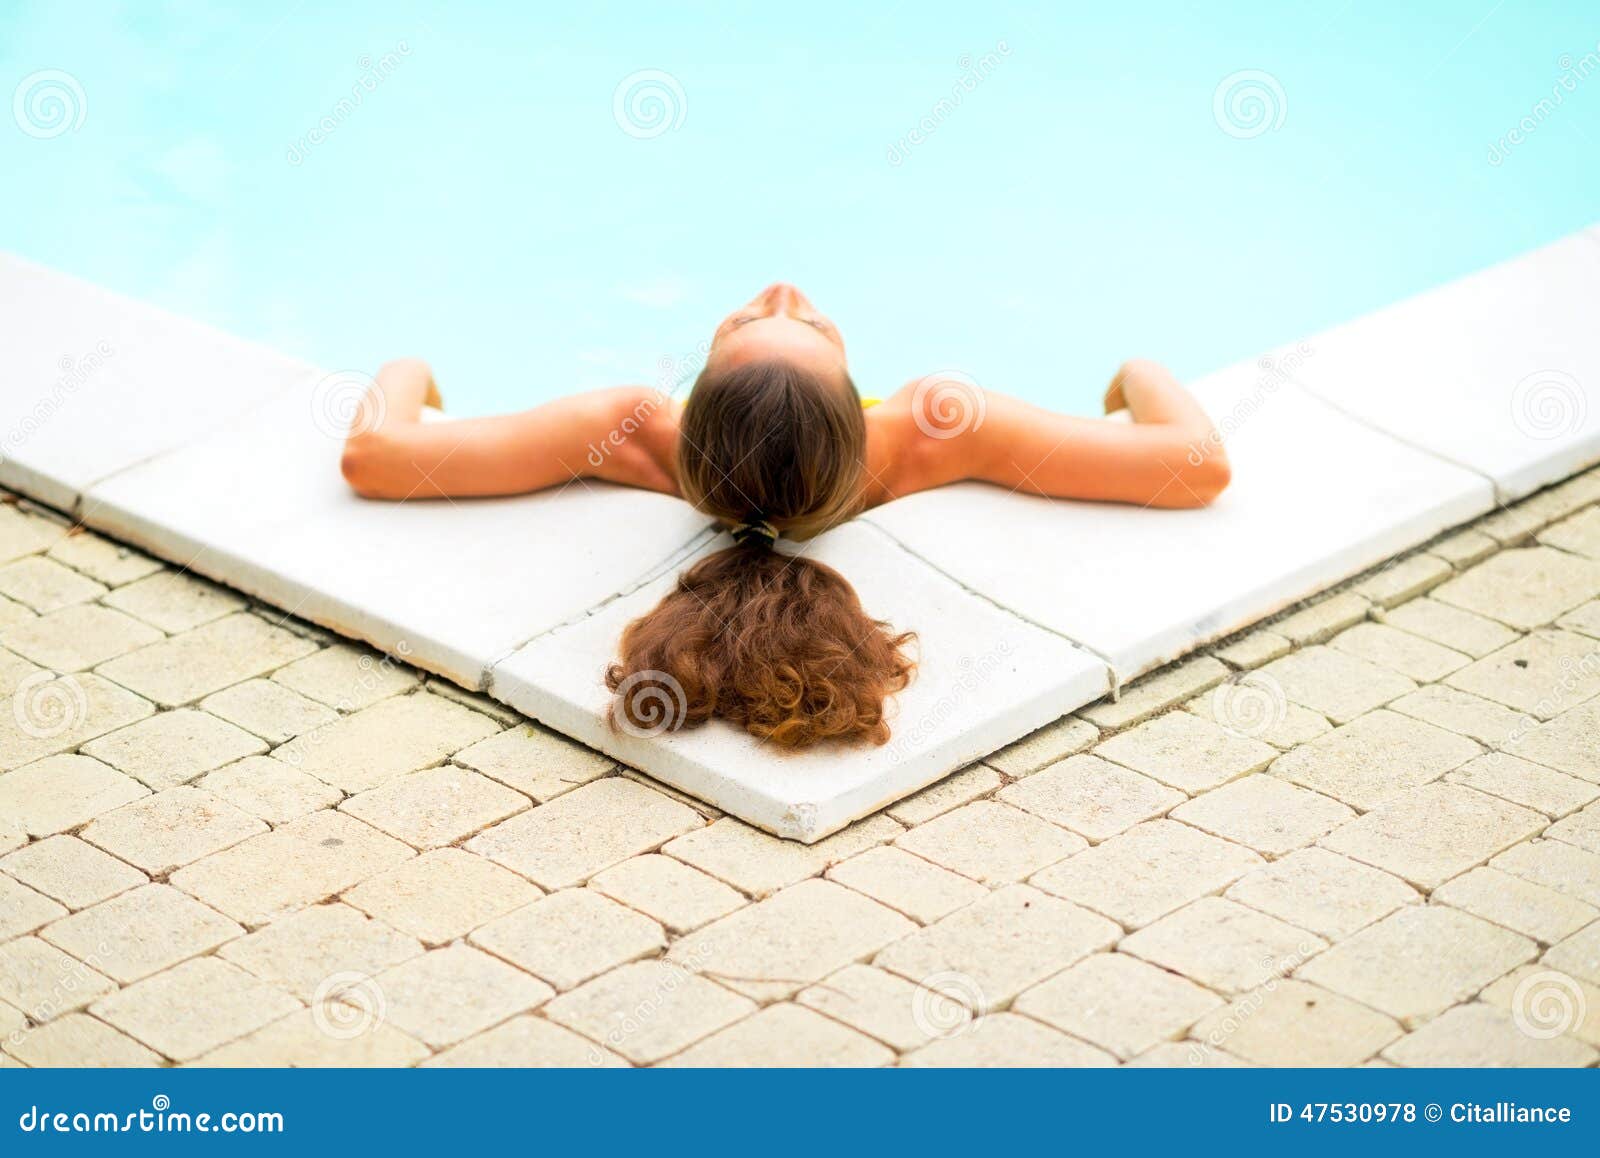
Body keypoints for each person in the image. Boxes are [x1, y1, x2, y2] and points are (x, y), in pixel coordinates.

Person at [341, 282, 1230, 747]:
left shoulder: (631, 432)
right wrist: (1137, 373)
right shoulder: (930, 428)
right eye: (790, 321)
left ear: (692, 424)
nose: (782, 289)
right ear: (856, 409)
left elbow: (373, 457)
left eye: (759, 319)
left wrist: (411, 366)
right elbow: (1199, 466)